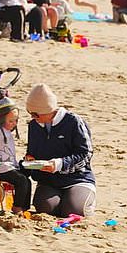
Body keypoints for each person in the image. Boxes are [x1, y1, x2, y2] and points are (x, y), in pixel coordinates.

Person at [21, 84, 96, 218]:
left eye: (35, 114)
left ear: (48, 110)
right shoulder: (34, 125)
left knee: (73, 212)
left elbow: (86, 154)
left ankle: (85, 199)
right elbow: (31, 151)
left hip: (77, 178)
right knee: (45, 208)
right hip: (49, 181)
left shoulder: (74, 122)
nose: (33, 118)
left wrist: (58, 164)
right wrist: (30, 160)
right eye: (30, 114)